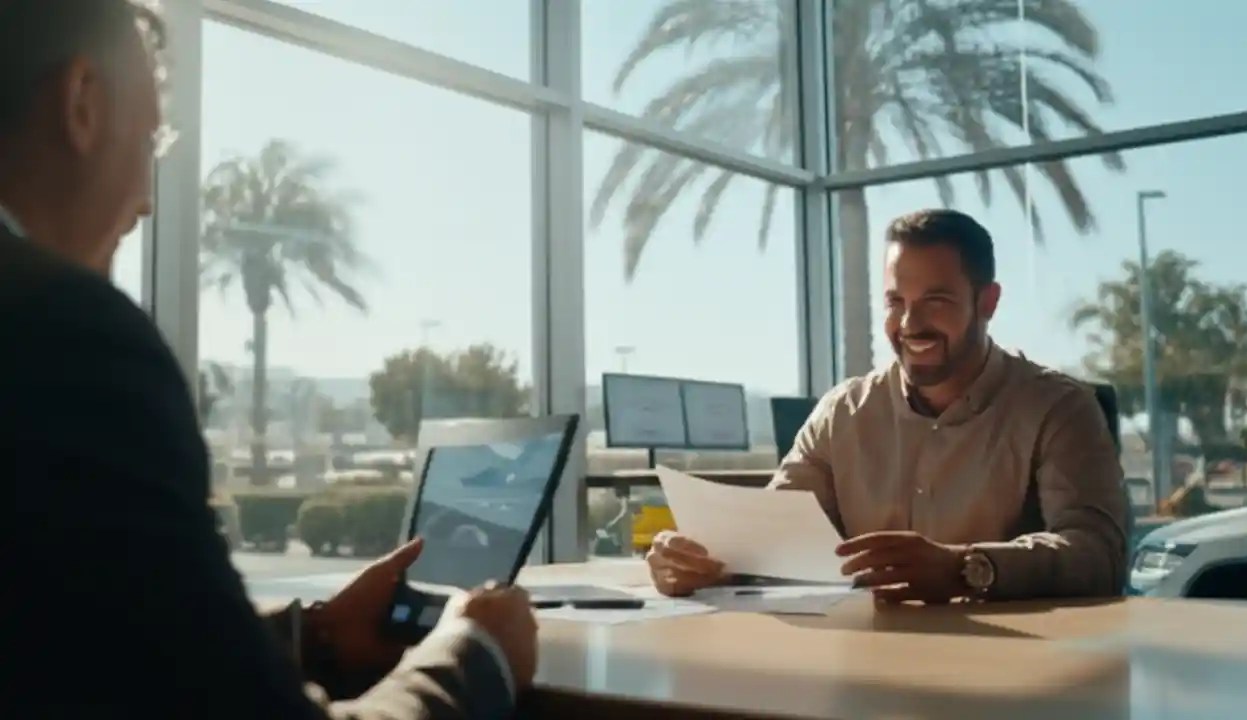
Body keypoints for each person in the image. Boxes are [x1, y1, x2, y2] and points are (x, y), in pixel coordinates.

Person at [0, 1, 535, 717]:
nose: (147, 202)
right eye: (154, 138)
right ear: (82, 104)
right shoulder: (63, 339)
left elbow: (81, 649)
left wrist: (312, 634)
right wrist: (478, 653)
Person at [648, 209, 1129, 603]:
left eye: (935, 300)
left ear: (988, 302)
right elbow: (771, 542)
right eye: (896, 301)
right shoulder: (842, 412)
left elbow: (1099, 555)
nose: (910, 324)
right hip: (862, 666)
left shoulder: (1060, 408)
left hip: (1021, 676)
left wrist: (966, 567)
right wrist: (697, 562)